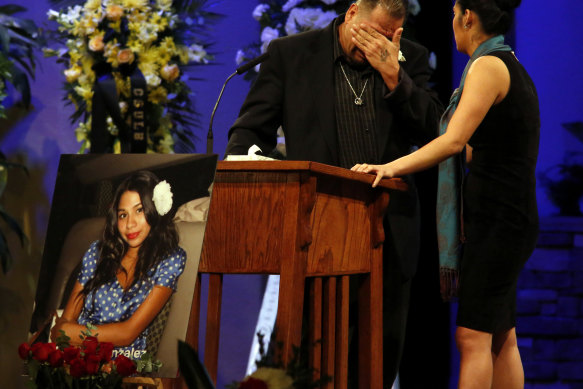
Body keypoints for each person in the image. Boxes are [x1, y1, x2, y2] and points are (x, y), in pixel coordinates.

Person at [226, 0, 443, 385]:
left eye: (391, 35)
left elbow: (435, 135)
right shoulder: (292, 54)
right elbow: (249, 130)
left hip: (387, 233)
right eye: (374, 32)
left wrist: (395, 76)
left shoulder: (410, 59)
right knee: (312, 363)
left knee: (376, 365)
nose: (380, 44)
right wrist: (252, 167)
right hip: (314, 233)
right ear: (352, 13)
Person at [352, 0, 539, 387]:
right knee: (500, 335)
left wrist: (389, 166)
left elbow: (454, 143)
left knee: (472, 336)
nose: (452, 22)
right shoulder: (503, 62)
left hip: (499, 222)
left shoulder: (489, 66)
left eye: (454, 13)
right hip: (505, 218)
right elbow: (475, 148)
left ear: (467, 16)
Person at [50, 171, 187, 359]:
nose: (130, 224)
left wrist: (69, 332)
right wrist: (65, 331)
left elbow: (126, 334)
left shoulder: (170, 259)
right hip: (77, 359)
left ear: (154, 210)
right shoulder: (98, 253)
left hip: (122, 365)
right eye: (123, 215)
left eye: (139, 210)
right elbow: (67, 318)